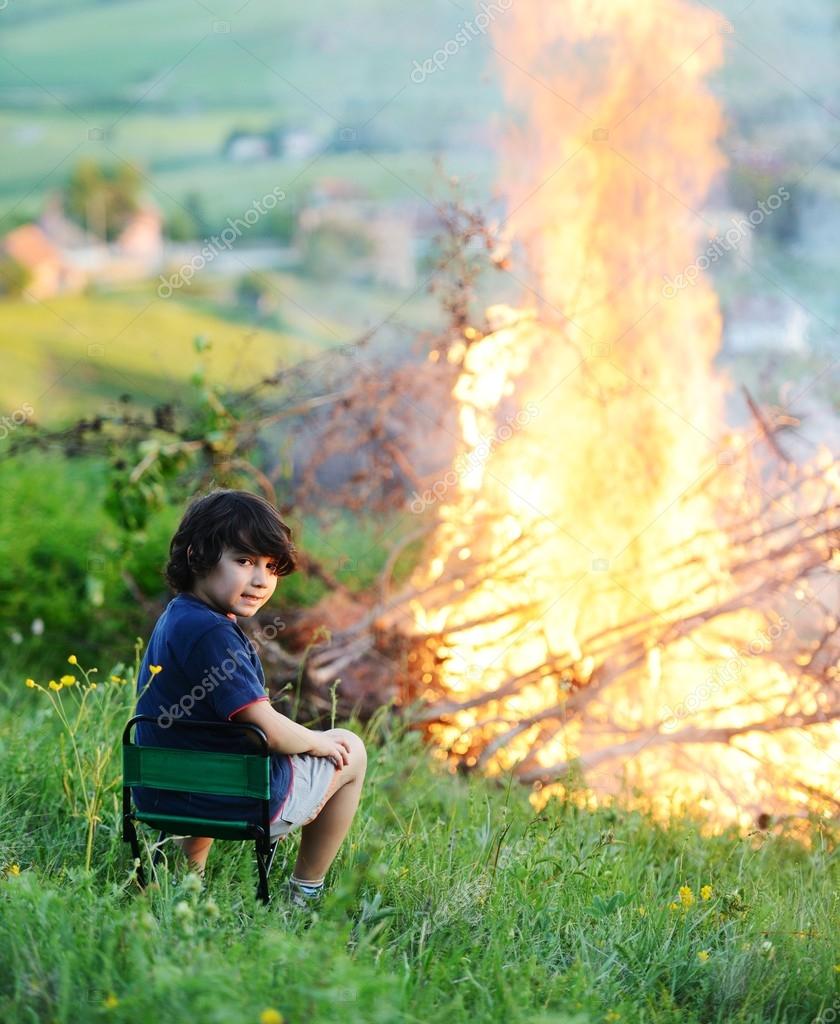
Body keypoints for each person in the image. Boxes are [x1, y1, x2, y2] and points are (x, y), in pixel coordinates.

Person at [132, 488, 366, 906]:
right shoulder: (215, 633)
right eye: (244, 561)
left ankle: (188, 882)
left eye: (271, 567)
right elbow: (267, 729)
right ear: (196, 556)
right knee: (352, 747)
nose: (261, 580)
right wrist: (318, 741)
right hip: (240, 803)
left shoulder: (177, 616)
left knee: (208, 742)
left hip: (159, 793)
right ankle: (305, 894)